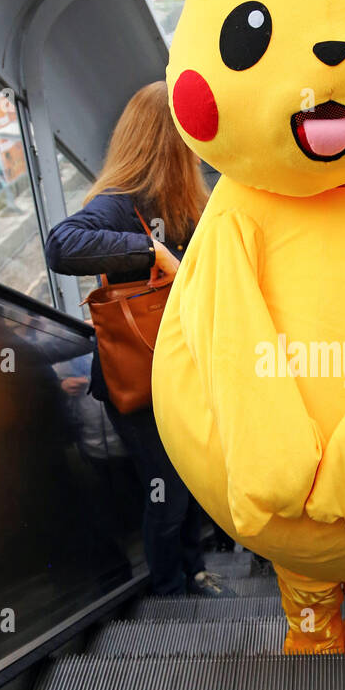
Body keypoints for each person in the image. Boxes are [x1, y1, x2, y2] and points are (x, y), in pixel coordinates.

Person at [45, 81, 232, 598]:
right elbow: (63, 245)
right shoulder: (120, 203)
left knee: (192, 481)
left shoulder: (190, 202)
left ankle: (194, 571)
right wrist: (150, 252)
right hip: (140, 386)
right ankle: (169, 587)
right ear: (166, 140)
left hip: (184, 376)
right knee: (167, 492)